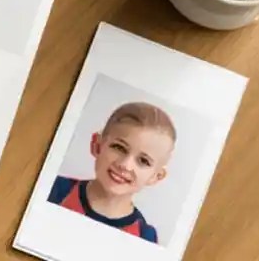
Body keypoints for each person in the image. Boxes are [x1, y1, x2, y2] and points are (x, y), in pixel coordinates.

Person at [48, 102, 176, 244]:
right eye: (119, 147)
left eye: (143, 161)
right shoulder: (52, 188)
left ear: (156, 176)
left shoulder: (145, 237)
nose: (125, 165)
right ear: (96, 145)